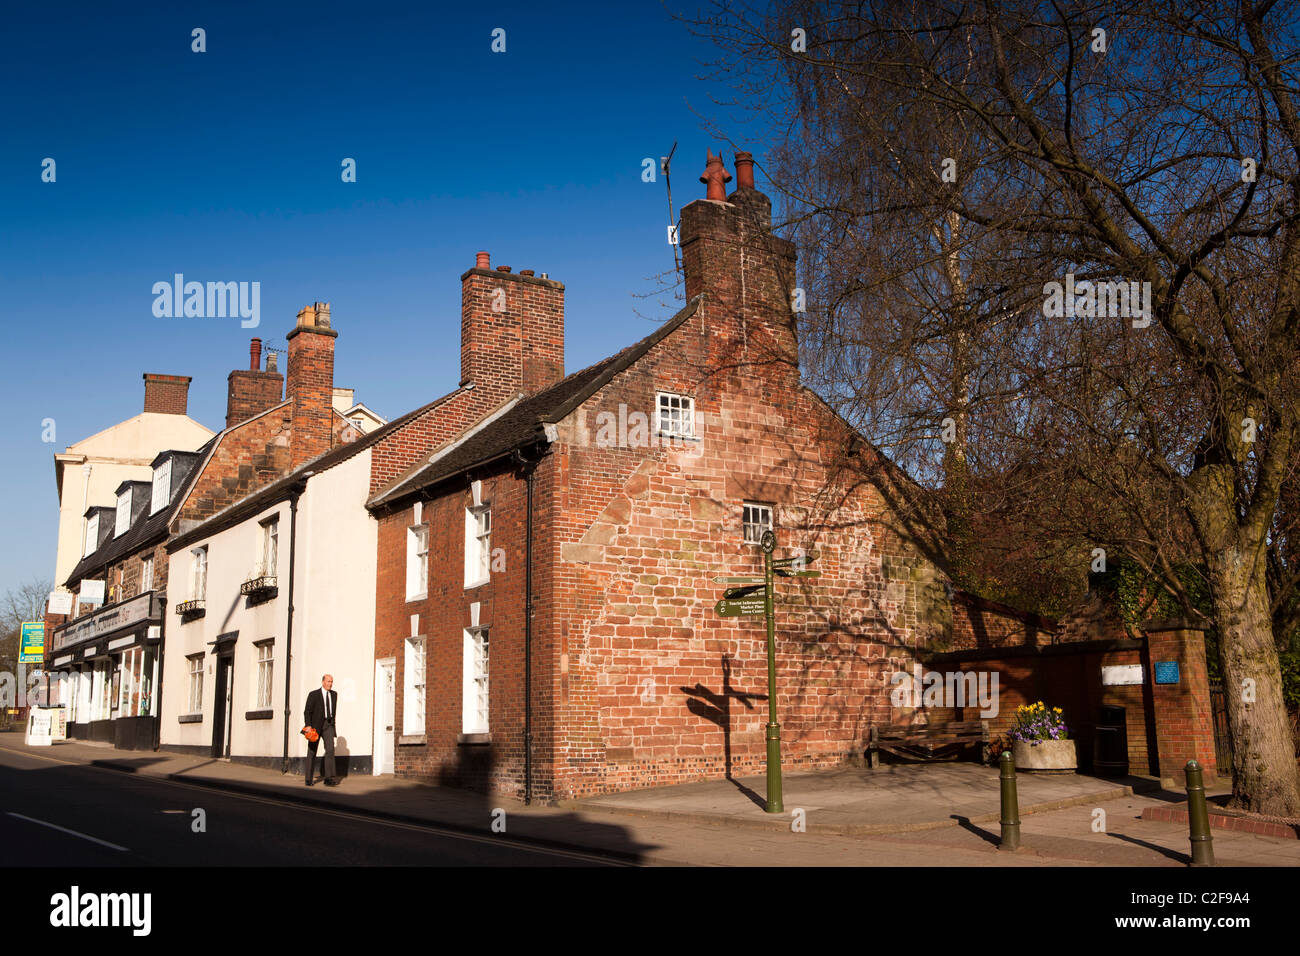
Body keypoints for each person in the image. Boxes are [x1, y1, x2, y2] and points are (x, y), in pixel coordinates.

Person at [304, 674, 339, 787]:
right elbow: (307, 711)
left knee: (330, 749)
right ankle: (308, 779)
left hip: (328, 725)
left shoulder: (334, 695)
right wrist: (308, 725)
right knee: (312, 751)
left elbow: (333, 712)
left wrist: (333, 725)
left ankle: (328, 778)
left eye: (331, 682)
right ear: (323, 682)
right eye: (328, 681)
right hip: (315, 726)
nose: (330, 684)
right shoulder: (313, 694)